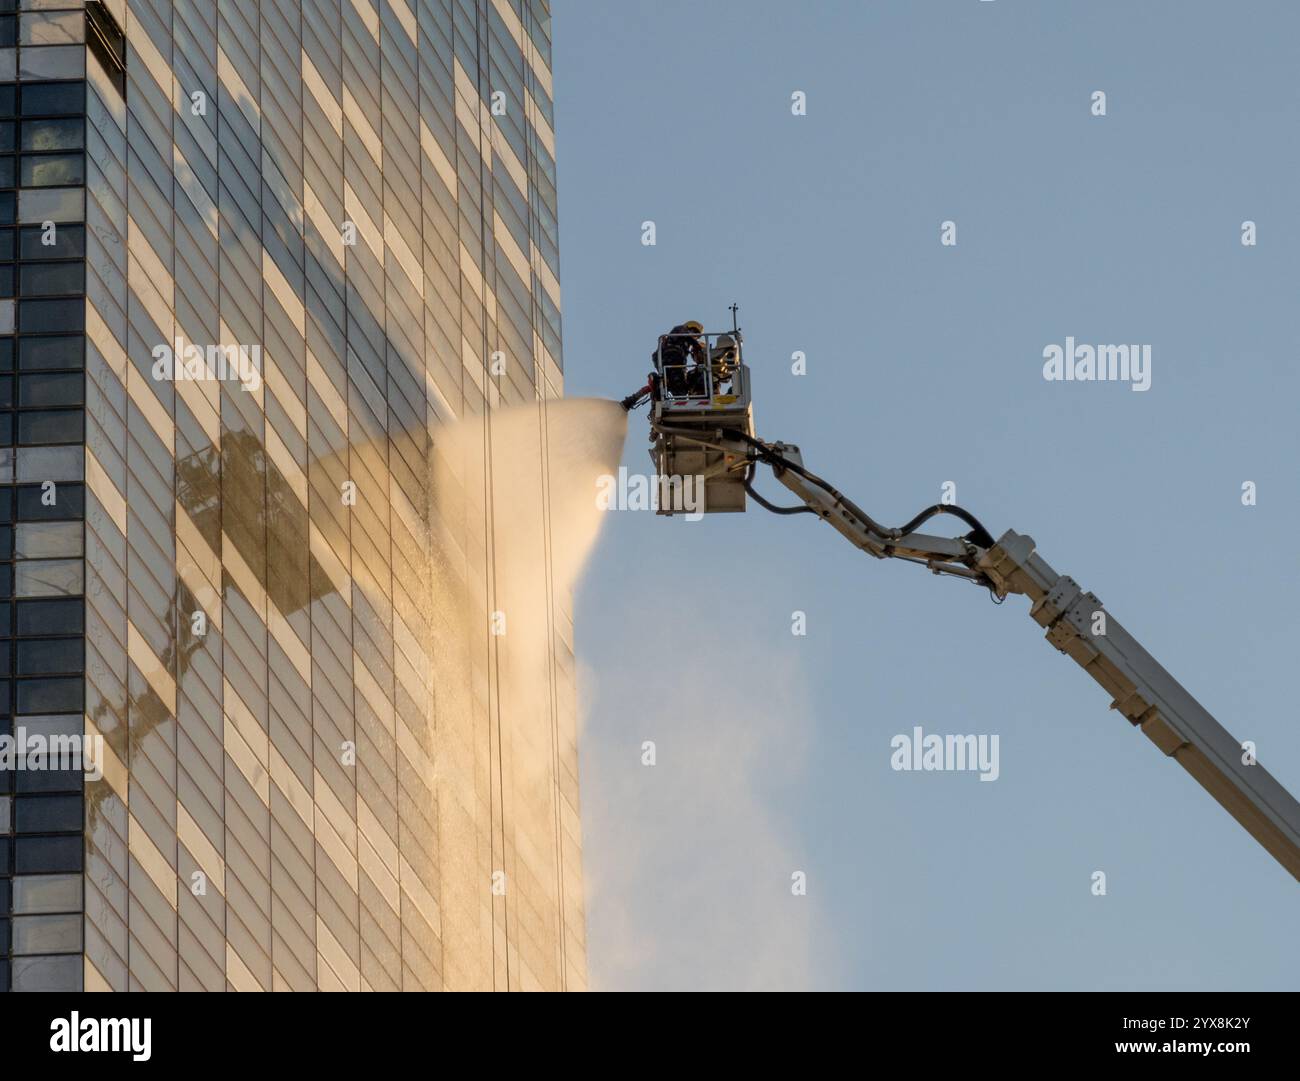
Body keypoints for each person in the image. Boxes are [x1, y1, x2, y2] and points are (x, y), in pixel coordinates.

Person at [655, 320, 705, 395]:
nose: (694, 336)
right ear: (689, 327)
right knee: (677, 382)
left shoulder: (684, 343)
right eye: (694, 332)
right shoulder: (679, 329)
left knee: (680, 388)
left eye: (696, 336)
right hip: (673, 360)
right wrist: (698, 346)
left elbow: (655, 356)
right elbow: (688, 336)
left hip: (673, 364)